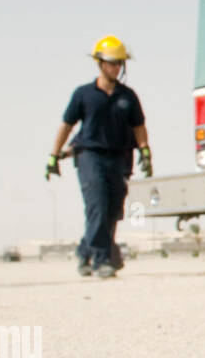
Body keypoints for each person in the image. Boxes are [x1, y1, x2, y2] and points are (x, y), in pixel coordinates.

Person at [45, 36, 152, 278]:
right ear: (100, 63)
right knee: (98, 205)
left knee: (112, 211)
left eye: (120, 63)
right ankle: (102, 260)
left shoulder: (128, 96)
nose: (117, 67)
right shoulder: (83, 94)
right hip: (89, 156)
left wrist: (145, 152)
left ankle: (85, 251)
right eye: (113, 63)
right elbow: (66, 125)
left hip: (120, 158)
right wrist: (53, 156)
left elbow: (139, 127)